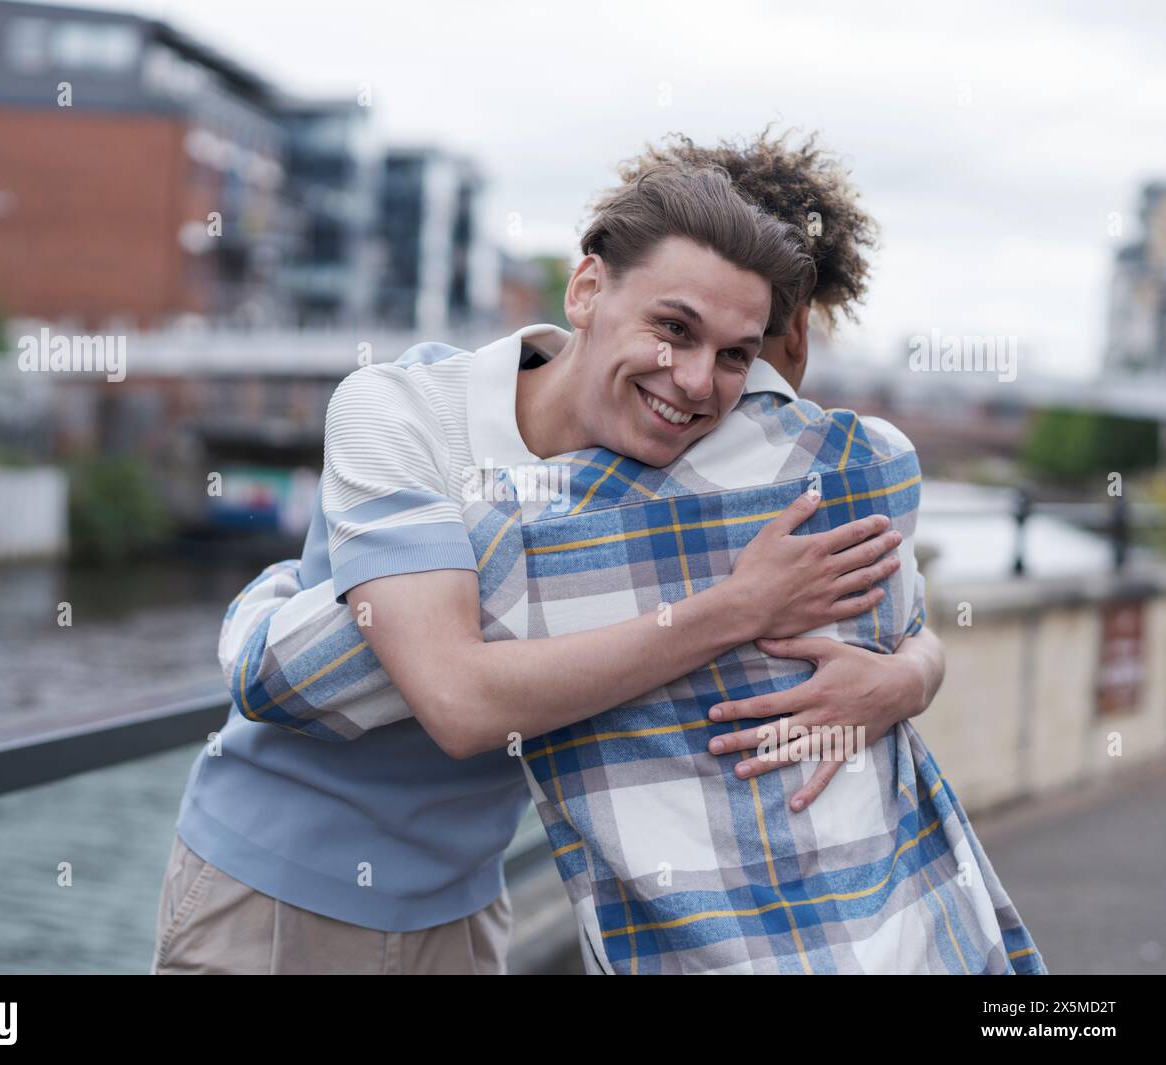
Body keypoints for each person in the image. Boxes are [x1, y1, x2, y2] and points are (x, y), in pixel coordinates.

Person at [151, 139, 955, 975]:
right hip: (276, 893)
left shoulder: (688, 465)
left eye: (734, 356)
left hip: (465, 899)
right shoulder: (403, 412)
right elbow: (457, 701)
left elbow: (899, 611)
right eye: (672, 328)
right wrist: (736, 609)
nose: (693, 380)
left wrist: (905, 680)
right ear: (586, 289)